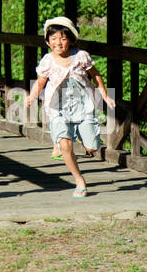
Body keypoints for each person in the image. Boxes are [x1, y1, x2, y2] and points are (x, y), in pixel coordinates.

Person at [25, 16, 114, 197]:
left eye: (63, 38)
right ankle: (79, 180)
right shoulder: (48, 60)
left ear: (71, 40)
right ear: (48, 42)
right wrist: (32, 96)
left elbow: (96, 75)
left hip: (83, 106)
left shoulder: (81, 57)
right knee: (65, 144)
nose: (58, 43)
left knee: (92, 147)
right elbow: (40, 82)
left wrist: (105, 95)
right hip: (57, 108)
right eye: (54, 39)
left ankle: (82, 137)